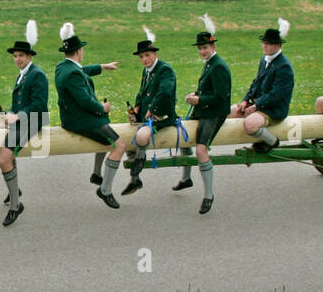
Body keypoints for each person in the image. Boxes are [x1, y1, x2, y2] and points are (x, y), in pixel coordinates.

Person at [54, 22, 124, 208]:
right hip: (80, 121)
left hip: (73, 116)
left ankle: (97, 174)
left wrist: (103, 67)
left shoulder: (63, 67)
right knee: (118, 145)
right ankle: (105, 190)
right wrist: (103, 108)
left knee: (106, 130)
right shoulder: (73, 74)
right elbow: (85, 101)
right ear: (79, 52)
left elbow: (82, 71)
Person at [173, 16, 231, 215]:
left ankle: (208, 195)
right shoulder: (209, 64)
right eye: (199, 48)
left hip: (214, 113)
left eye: (205, 47)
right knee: (184, 138)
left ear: (212, 47)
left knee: (200, 151)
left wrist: (199, 100)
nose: (201, 51)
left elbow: (221, 98)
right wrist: (196, 95)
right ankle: (186, 178)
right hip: (203, 109)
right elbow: (209, 90)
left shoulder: (219, 66)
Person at [0, 20, 48, 227]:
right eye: (15, 56)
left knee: (4, 159)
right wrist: (8, 114)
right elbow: (17, 102)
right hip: (22, 120)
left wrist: (17, 117)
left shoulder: (37, 75)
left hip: (34, 121)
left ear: (29, 57)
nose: (17, 59)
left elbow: (39, 105)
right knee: (6, 155)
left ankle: (16, 206)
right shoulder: (22, 75)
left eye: (21, 56)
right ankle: (14, 189)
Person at [120, 28, 178, 196]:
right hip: (146, 116)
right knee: (126, 137)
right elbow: (141, 92)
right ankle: (135, 178)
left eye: (147, 55)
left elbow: (165, 92)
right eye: (141, 57)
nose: (144, 59)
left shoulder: (165, 70)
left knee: (141, 137)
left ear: (154, 54)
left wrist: (153, 109)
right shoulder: (146, 71)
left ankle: (139, 162)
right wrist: (137, 107)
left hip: (162, 117)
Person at [230, 19, 294, 153]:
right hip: (259, 105)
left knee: (250, 124)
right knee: (229, 112)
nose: (264, 46)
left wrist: (256, 105)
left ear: (278, 46)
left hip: (274, 110)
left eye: (268, 44)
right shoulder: (264, 60)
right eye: (264, 43)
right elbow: (256, 82)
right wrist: (245, 100)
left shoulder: (284, 67)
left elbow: (276, 94)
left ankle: (272, 141)